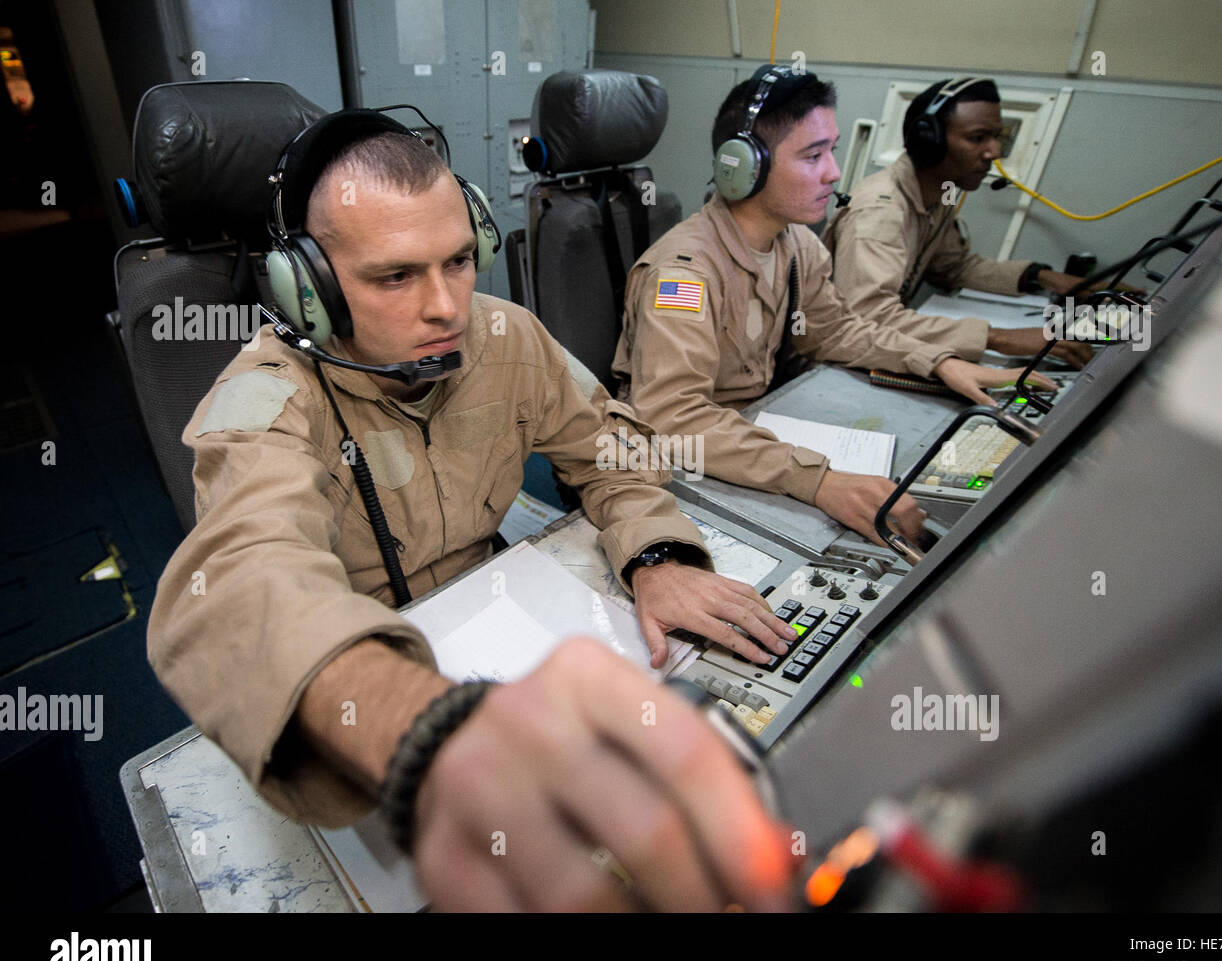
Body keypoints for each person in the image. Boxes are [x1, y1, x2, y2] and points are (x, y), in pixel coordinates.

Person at [147, 109, 798, 911]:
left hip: (501, 614)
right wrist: (429, 734)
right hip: (364, 676)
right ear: (306, 290)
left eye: (459, 261)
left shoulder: (506, 336)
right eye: (395, 277)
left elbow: (610, 452)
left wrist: (656, 555)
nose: (447, 306)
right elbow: (243, 586)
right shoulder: (268, 402)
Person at [612, 66, 1049, 546]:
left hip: (754, 436)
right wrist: (818, 480)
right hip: (688, 464)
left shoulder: (797, 244)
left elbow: (837, 332)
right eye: (813, 155)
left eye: (832, 149)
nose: (835, 172)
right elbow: (674, 418)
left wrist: (938, 361)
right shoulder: (683, 276)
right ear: (744, 167)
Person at [822, 76, 1092, 367]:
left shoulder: (939, 195)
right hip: (833, 360)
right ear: (930, 142)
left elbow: (953, 266)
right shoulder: (880, 212)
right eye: (978, 138)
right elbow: (869, 316)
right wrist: (999, 338)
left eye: (997, 137)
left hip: (881, 342)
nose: (994, 152)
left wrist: (1043, 277)